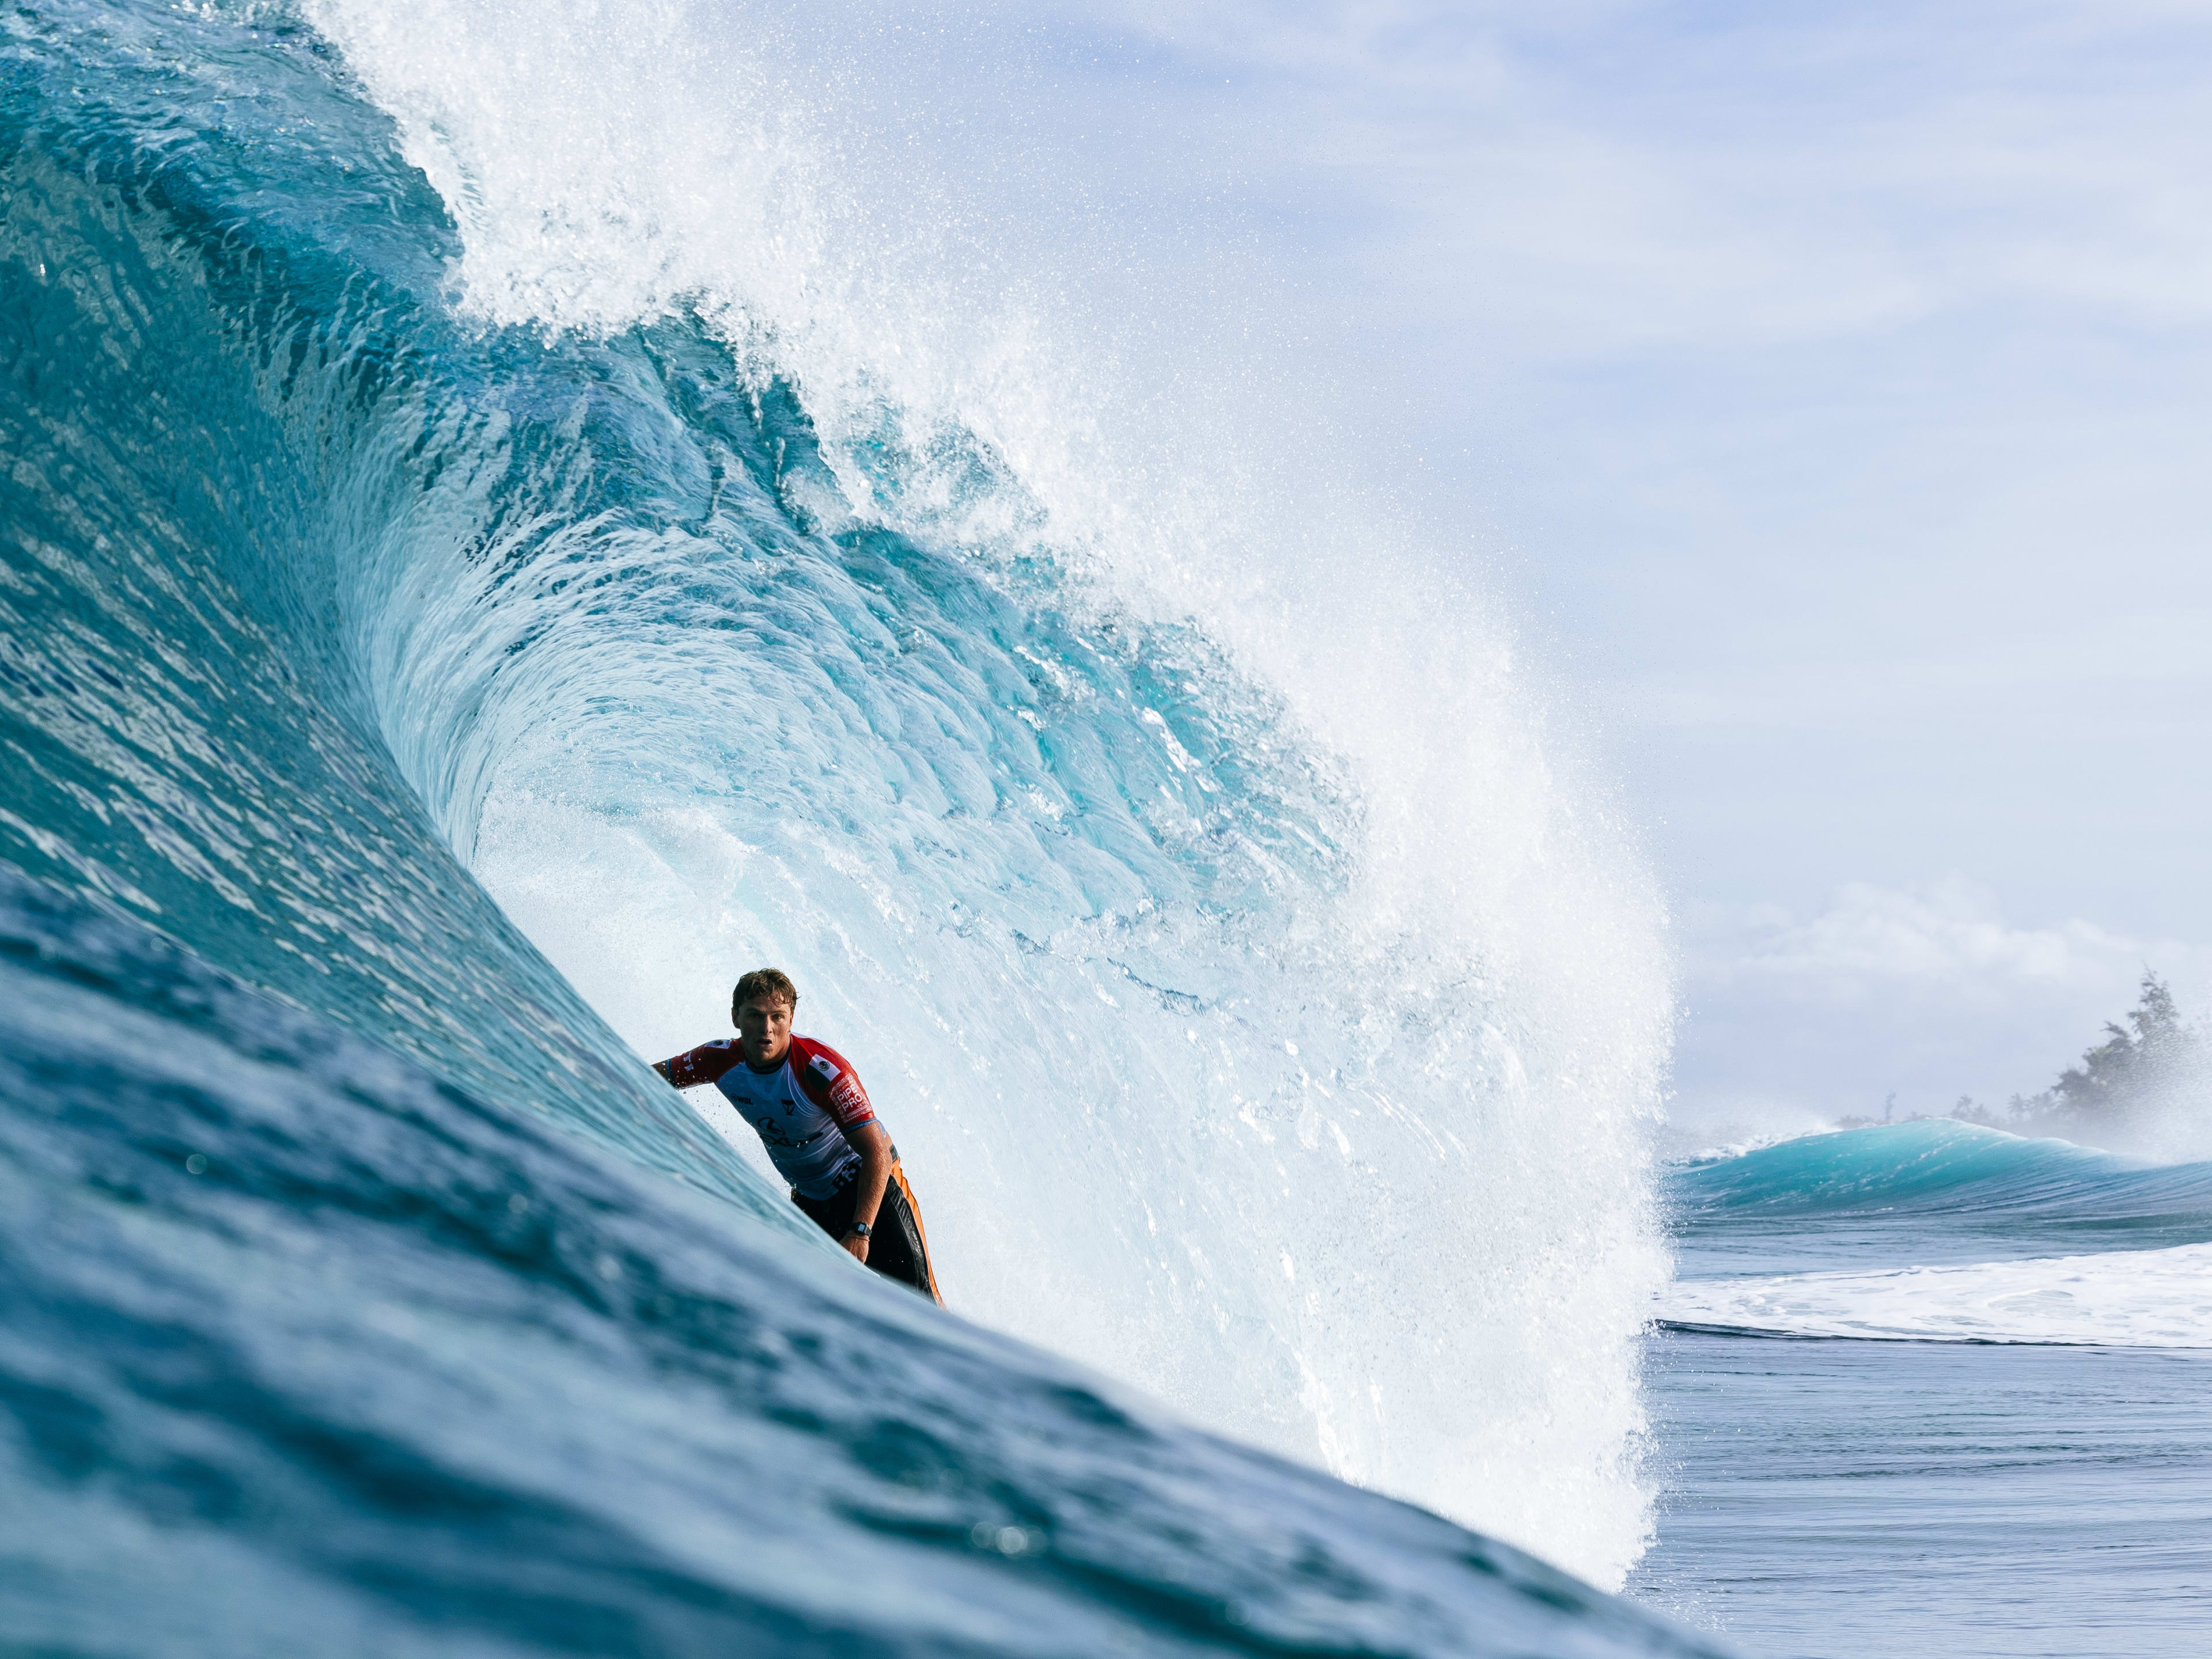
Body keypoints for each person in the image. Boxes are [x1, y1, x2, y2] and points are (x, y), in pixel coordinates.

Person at [652, 968, 941, 1304]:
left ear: (791, 1020)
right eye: (755, 1016)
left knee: (922, 1301)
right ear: (735, 1017)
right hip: (809, 1199)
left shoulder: (821, 1071)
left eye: (778, 1017)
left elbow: (877, 1153)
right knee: (808, 1302)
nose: (766, 1028)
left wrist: (861, 1231)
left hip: (871, 1188)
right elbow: (648, 1076)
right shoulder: (718, 1060)